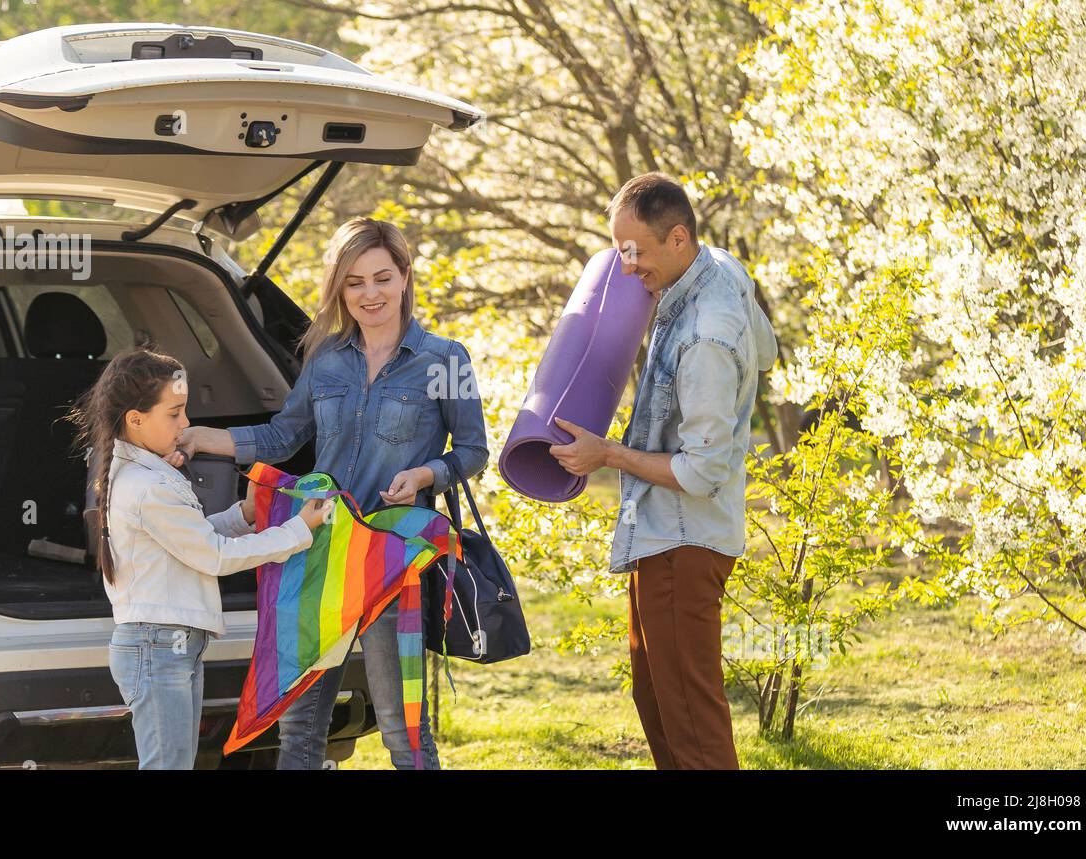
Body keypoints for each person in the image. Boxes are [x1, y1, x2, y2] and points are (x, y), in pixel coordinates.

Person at [166, 217, 489, 769]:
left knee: (403, 732)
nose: (371, 294)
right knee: (300, 728)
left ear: (406, 276)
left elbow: (475, 453)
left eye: (383, 278)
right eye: (355, 281)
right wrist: (202, 437)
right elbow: (282, 436)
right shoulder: (326, 359)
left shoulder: (445, 359)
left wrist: (425, 476)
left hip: (391, 561)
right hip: (320, 554)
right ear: (340, 287)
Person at [549, 172, 777, 769]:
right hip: (660, 537)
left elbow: (703, 472)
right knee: (656, 700)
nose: (625, 268)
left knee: (691, 723)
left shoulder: (707, 334)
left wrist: (607, 454)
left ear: (678, 238)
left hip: (685, 541)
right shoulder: (718, 267)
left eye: (636, 252)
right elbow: (770, 349)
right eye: (619, 249)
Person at [69, 346, 329, 769]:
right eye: (174, 413)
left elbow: (192, 540)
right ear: (135, 420)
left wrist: (244, 515)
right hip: (159, 645)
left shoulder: (145, 475)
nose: (186, 424)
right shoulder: (148, 485)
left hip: (172, 644)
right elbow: (214, 556)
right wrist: (298, 531)